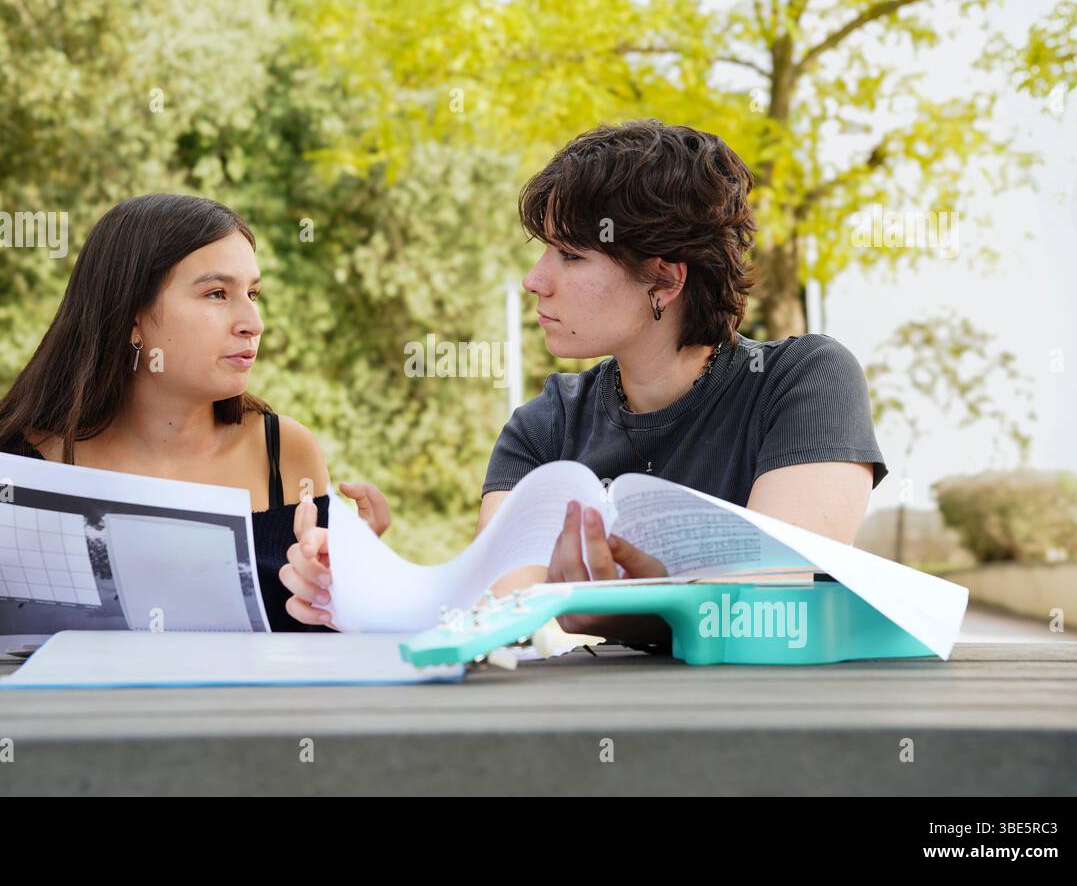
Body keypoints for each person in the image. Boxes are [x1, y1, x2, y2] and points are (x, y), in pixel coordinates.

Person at [280, 119, 887, 649]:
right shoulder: (545, 424)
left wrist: (634, 610)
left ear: (664, 281)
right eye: (544, 251)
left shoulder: (804, 380)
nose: (534, 280)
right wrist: (362, 583)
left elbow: (771, 603)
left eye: (570, 256)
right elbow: (498, 608)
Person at [0, 193, 371, 660]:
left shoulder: (285, 453)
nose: (253, 322)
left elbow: (330, 640)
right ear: (131, 318)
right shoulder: (12, 469)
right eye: (217, 294)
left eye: (253, 293)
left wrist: (366, 579)